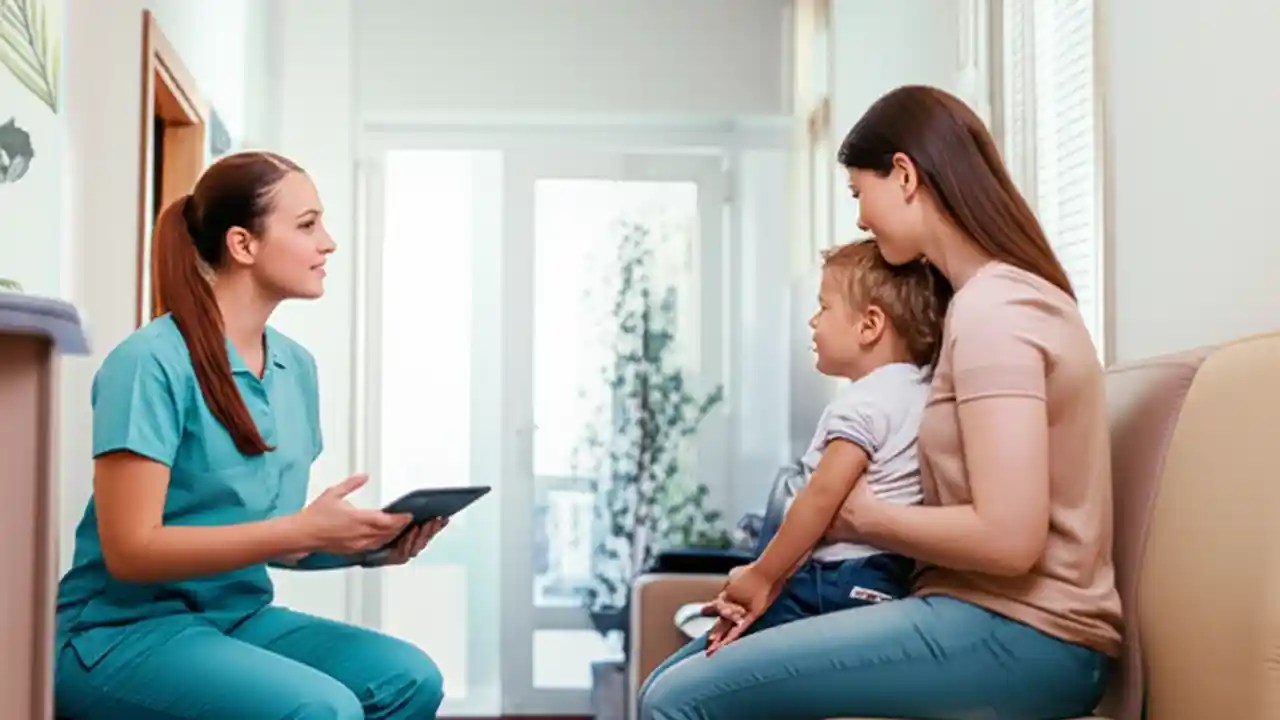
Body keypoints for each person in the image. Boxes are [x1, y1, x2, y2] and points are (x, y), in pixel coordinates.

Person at [639, 84, 1122, 720]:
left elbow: (1010, 540)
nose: (862, 217)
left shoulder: (995, 311)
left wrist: (858, 517)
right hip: (990, 619)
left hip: (1029, 635)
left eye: (858, 193)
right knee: (673, 684)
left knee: (681, 699)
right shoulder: (981, 305)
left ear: (903, 174)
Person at [54, 151, 447, 720]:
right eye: (308, 225)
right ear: (243, 245)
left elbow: (274, 541)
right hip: (120, 634)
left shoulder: (296, 369)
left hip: (236, 619)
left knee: (410, 679)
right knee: (321, 708)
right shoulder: (148, 362)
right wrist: (298, 529)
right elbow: (131, 550)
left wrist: (361, 546)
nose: (328, 242)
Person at [646, 240, 947, 677]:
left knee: (687, 676)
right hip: (886, 579)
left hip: (838, 580)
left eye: (823, 308)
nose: (813, 321)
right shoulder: (921, 393)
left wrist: (762, 574)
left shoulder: (861, 404)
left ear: (870, 325)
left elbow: (822, 497)